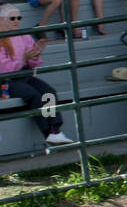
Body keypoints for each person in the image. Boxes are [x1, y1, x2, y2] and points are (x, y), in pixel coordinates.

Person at [0, 7, 74, 145]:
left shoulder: (23, 35)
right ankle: (47, 133)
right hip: (5, 82)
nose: (17, 21)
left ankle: (54, 130)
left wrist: (35, 54)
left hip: (23, 75)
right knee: (33, 95)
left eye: (19, 18)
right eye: (12, 18)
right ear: (1, 20)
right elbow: (3, 68)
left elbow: (33, 64)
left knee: (49, 92)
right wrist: (23, 59)